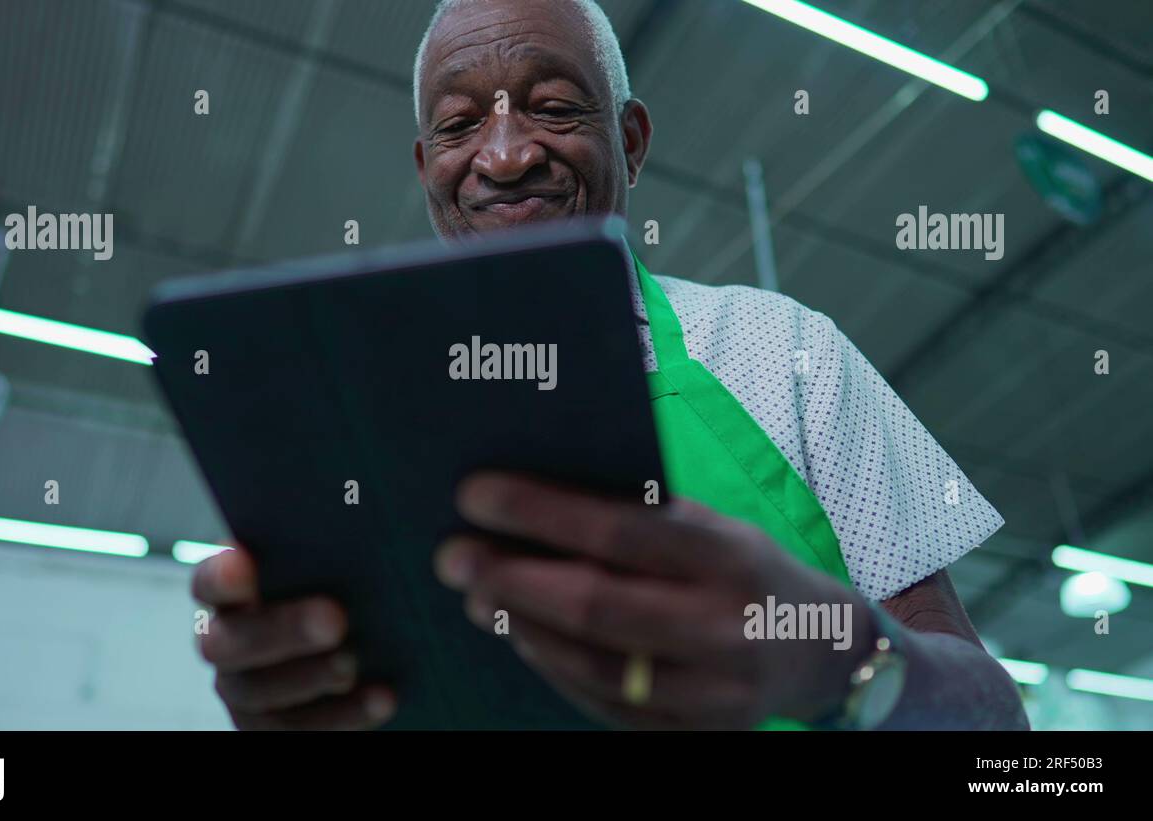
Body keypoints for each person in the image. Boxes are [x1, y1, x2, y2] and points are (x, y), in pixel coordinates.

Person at [191, 0, 1029, 730]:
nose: (507, 154)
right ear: (427, 169)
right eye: (458, 124)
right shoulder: (353, 419)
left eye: (554, 107)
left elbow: (1006, 742)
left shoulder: (783, 351)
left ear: (629, 141)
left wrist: (832, 660)